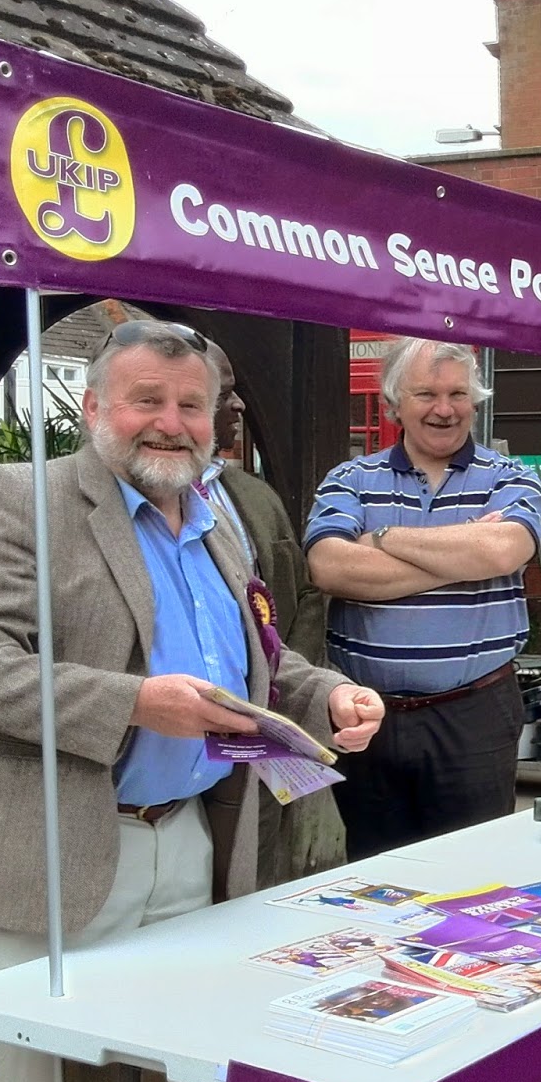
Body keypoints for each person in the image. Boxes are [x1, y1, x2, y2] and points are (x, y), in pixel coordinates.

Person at [0, 319, 385, 1082]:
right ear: (95, 405)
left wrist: (331, 697)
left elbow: (259, 666)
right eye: (148, 401)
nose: (172, 422)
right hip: (45, 846)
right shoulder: (24, 495)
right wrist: (134, 703)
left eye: (192, 405)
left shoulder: (218, 518)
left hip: (190, 843)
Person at [305, 337, 541, 860]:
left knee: (474, 871)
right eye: (426, 394)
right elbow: (328, 566)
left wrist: (382, 539)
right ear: (394, 405)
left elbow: (504, 550)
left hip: (474, 713)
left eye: (458, 393)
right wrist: (461, 557)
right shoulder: (350, 478)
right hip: (369, 713)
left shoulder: (511, 477)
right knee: (374, 874)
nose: (444, 409)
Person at [198, 339, 344, 887]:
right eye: (225, 395)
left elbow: (296, 616)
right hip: (164, 761)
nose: (239, 408)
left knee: (251, 893)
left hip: (256, 753)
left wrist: (307, 756)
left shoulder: (253, 498)